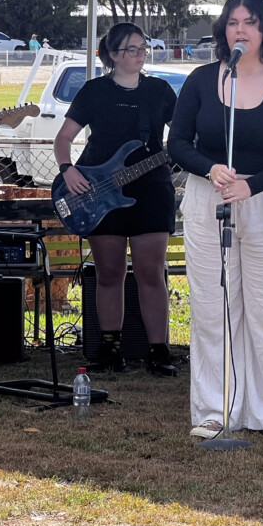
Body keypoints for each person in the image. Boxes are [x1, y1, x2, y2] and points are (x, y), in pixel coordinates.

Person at [168, 0, 263, 440]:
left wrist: (252, 184)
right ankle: (215, 410)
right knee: (214, 306)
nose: (240, 30)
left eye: (249, 23)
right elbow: (178, 143)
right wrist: (210, 168)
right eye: (233, 23)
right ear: (223, 31)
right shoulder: (200, 79)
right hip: (209, 197)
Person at [53, 22, 177, 375]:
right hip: (99, 190)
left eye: (142, 48)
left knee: (151, 271)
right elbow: (64, 138)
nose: (138, 55)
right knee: (109, 271)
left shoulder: (160, 91)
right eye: (130, 50)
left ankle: (159, 350)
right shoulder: (94, 92)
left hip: (151, 188)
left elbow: (184, 134)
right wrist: (68, 169)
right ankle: (109, 349)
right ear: (111, 54)